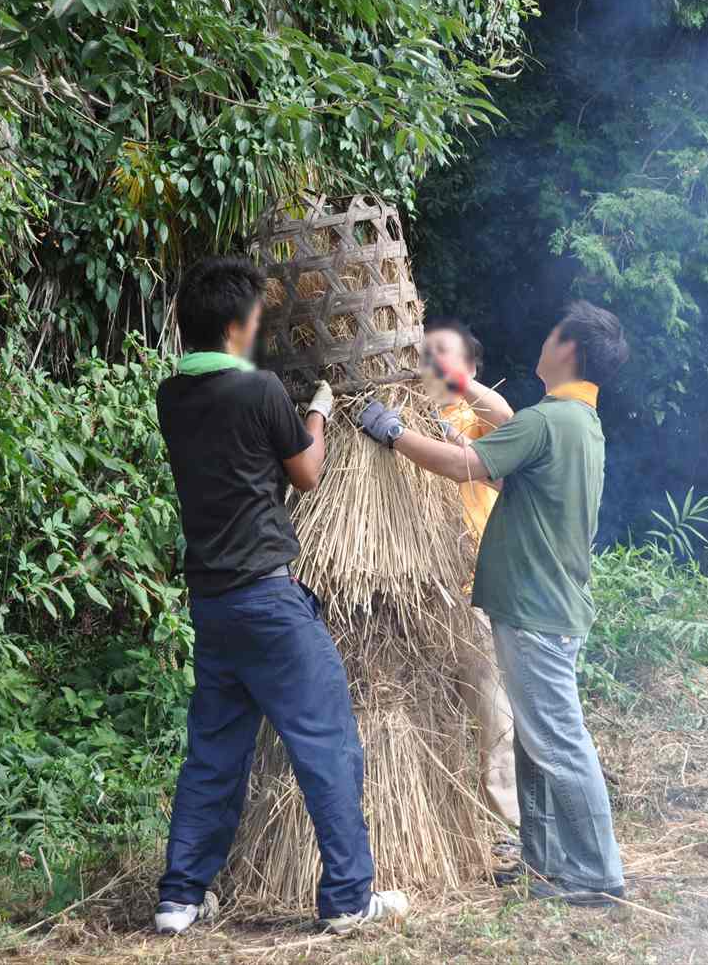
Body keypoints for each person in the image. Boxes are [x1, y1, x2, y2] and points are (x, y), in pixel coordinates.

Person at [154, 256, 407, 936]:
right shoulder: (261, 391)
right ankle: (351, 897)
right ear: (238, 326)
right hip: (269, 599)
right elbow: (306, 474)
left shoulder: (170, 396)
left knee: (213, 750)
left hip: (211, 603)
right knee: (327, 743)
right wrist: (318, 414)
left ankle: (179, 898)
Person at [358, 301, 630, 906]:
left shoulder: (549, 419)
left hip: (537, 609)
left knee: (559, 741)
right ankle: (544, 862)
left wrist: (395, 432)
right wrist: (450, 397)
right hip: (540, 605)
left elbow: (465, 467)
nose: (544, 340)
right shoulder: (579, 423)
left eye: (552, 333)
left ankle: (597, 875)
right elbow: (506, 477)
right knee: (539, 740)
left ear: (568, 351)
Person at [420, 320, 522, 830]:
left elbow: (507, 419)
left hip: (470, 585)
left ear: (472, 368)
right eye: (426, 353)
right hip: (416, 589)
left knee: (491, 710)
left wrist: (456, 385)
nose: (432, 363)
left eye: (446, 355)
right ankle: (447, 824)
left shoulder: (474, 416)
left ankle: (509, 828)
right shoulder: (400, 419)